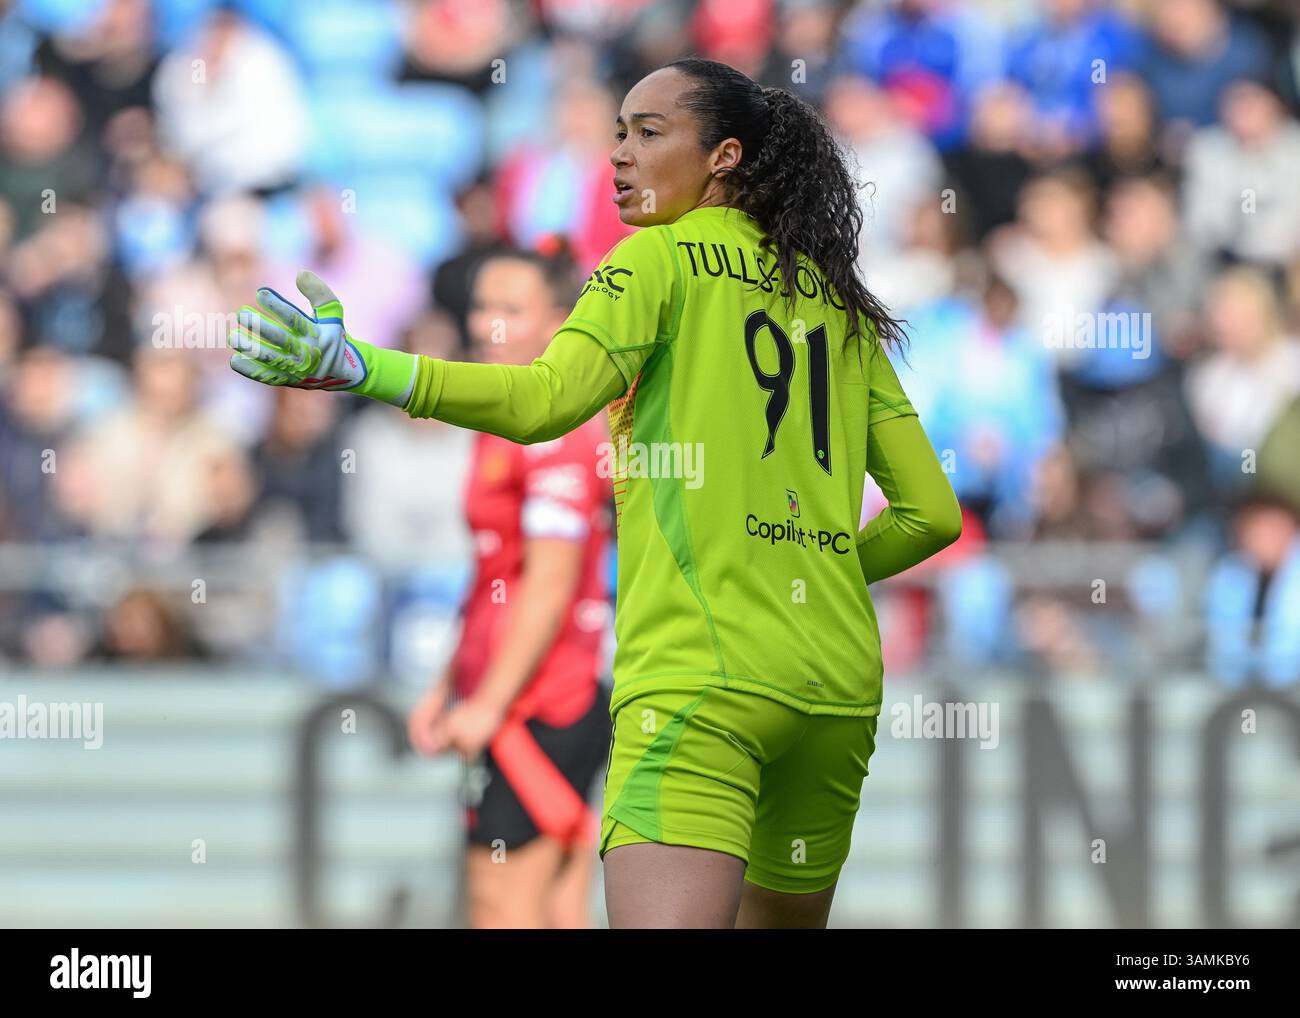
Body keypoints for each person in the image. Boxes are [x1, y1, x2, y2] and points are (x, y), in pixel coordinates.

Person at [226, 58, 961, 929]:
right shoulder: (835, 302)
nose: (619, 154)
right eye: (618, 131)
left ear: (724, 156)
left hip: (703, 678)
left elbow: (542, 401)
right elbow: (932, 514)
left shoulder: (656, 260)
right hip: (835, 686)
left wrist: (363, 368)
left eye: (649, 134)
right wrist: (814, 572)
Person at [406, 246, 614, 928]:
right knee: (558, 907)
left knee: (501, 903)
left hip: (545, 700)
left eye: (510, 310)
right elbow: (494, 574)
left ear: (557, 325)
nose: (487, 326)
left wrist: (489, 705)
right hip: (513, 696)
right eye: (481, 307)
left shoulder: (556, 434)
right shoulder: (500, 427)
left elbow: (550, 586)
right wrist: (448, 684)